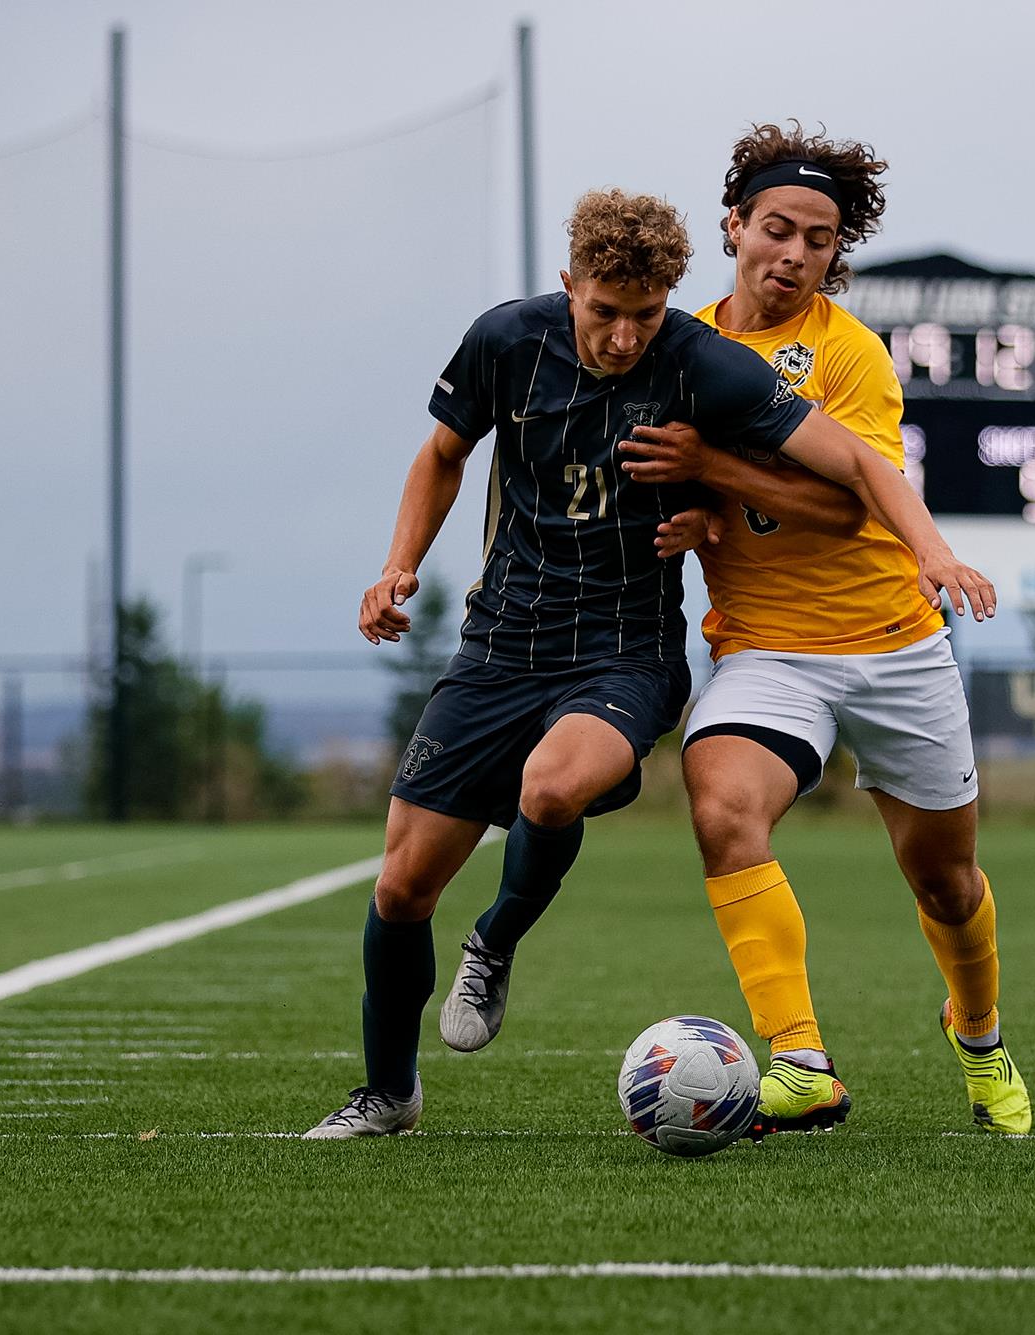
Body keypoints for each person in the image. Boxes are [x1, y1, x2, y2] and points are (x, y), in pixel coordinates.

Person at [306, 187, 991, 1138]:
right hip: (499, 644)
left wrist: (932, 549)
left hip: (621, 652)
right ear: (568, 286)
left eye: (645, 315)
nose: (625, 337)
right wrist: (398, 565)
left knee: (551, 789)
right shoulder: (506, 342)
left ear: (671, 298)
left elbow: (862, 470)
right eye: (604, 313)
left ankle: (494, 940)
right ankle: (388, 1091)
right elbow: (442, 455)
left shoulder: (704, 363)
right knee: (400, 885)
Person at [617, 123, 1032, 1136]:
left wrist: (713, 475)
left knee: (943, 881)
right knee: (720, 806)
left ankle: (976, 1036)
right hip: (765, 650)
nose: (794, 254)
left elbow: (844, 506)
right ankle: (799, 1062)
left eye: (817, 239)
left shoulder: (847, 355)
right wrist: (695, 522)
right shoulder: (677, 346)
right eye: (776, 229)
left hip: (892, 644)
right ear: (732, 227)